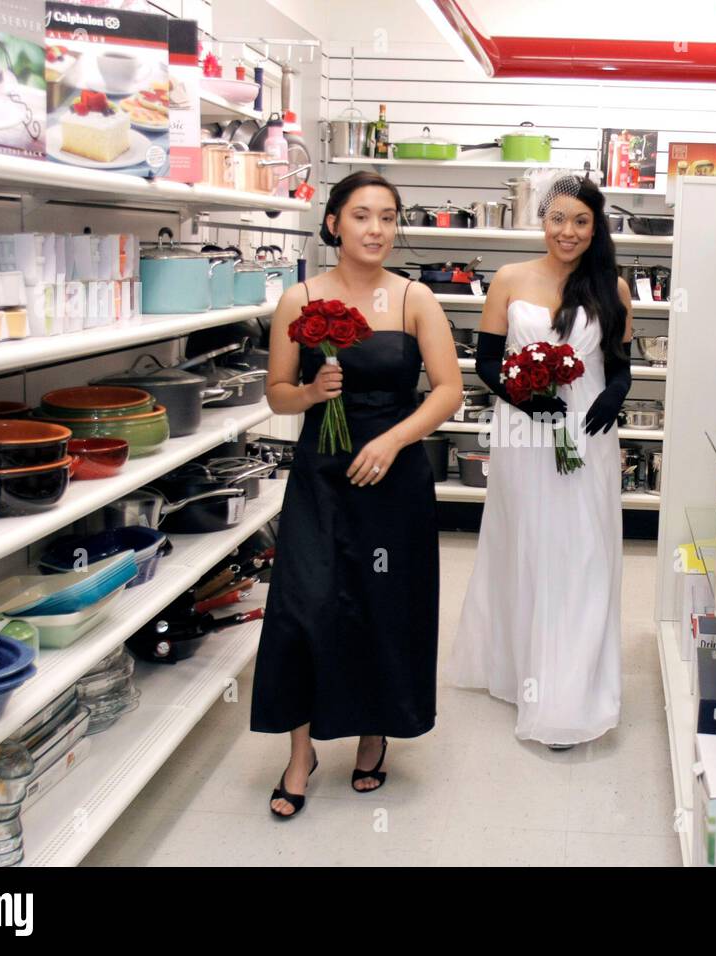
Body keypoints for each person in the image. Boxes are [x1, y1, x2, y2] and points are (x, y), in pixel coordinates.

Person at [252, 170, 462, 817]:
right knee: (302, 604)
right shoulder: (302, 299)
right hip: (322, 473)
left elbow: (448, 390)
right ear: (335, 223)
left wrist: (393, 441)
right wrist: (313, 395)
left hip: (392, 474)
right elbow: (277, 392)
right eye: (363, 215)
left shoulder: (414, 299)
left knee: (383, 602)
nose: (377, 229)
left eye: (388, 217)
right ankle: (300, 750)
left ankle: (373, 736)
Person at [447, 174, 633, 749]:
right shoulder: (509, 279)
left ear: (595, 226)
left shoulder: (613, 287)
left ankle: (570, 691)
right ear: (543, 220)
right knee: (526, 543)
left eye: (581, 221)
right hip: (525, 434)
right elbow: (483, 364)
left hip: (589, 434)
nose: (567, 232)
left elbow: (621, 363)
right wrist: (525, 396)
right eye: (557, 219)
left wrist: (615, 395)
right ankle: (521, 668)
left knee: (583, 551)